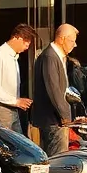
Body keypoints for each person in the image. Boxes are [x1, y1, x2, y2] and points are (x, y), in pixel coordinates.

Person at [31, 24, 77, 156]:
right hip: (53, 119)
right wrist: (65, 116)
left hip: (55, 118)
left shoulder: (57, 57)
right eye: (72, 41)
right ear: (62, 39)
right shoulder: (50, 56)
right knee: (58, 158)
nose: (75, 45)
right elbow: (54, 89)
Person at [0, 23, 36, 132]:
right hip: (1, 109)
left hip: (11, 109)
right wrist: (16, 101)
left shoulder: (12, 57)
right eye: (26, 43)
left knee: (16, 145)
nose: (27, 47)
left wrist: (17, 102)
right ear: (17, 38)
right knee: (6, 144)